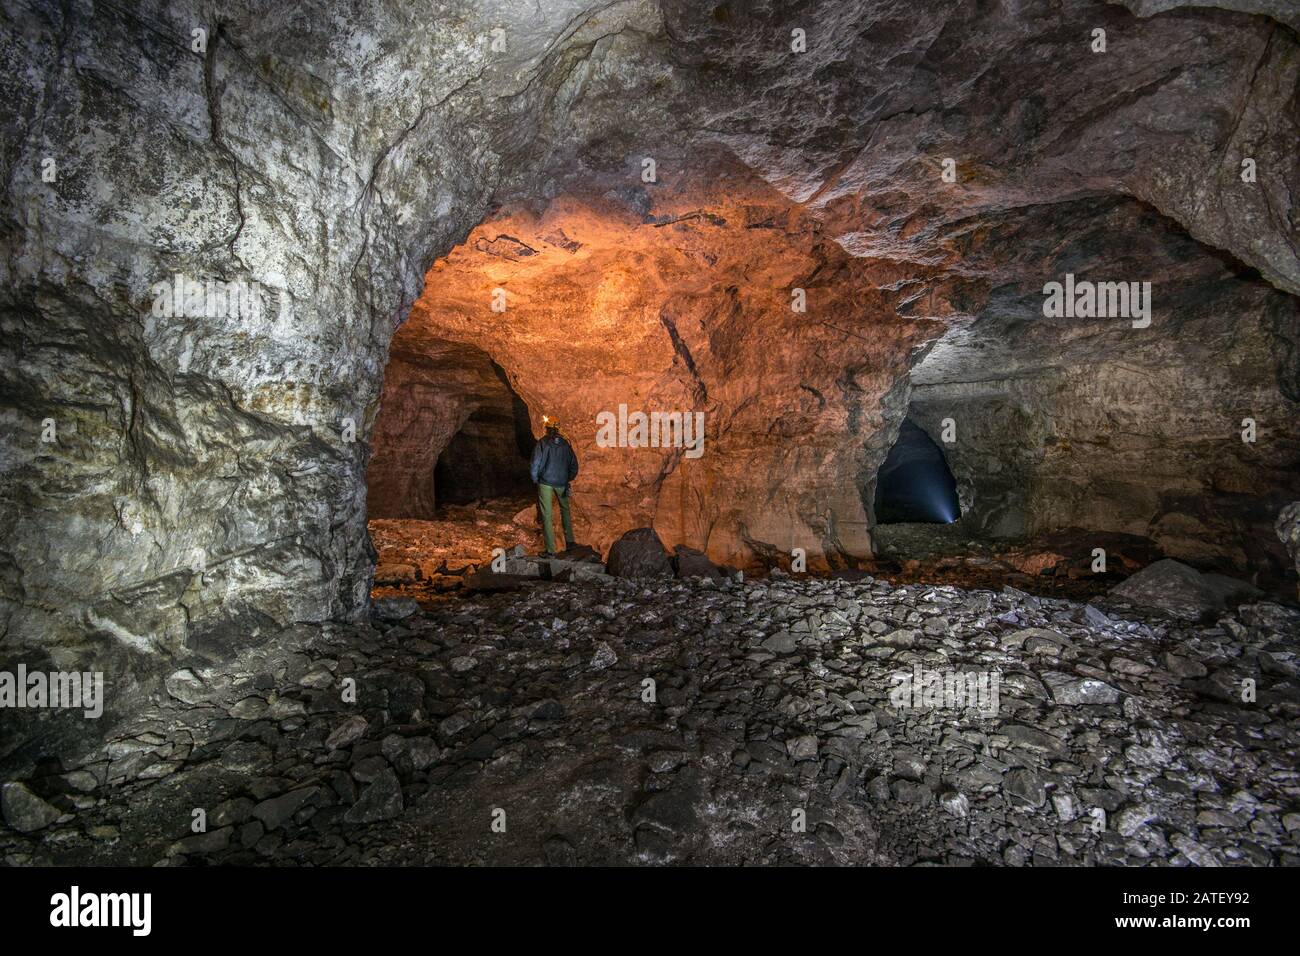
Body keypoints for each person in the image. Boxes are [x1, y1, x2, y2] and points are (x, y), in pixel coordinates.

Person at [529, 416, 579, 557]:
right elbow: (574, 465)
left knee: (547, 515)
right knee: (565, 511)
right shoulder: (565, 444)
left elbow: (535, 463)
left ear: (547, 428)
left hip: (545, 483)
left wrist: (535, 479)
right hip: (561, 483)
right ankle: (570, 542)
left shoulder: (542, 443)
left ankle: (551, 550)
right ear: (558, 428)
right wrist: (568, 478)